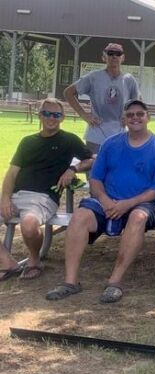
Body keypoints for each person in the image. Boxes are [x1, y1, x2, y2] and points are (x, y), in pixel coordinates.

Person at [45, 100, 155, 303]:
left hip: (143, 204)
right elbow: (95, 179)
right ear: (124, 119)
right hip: (108, 201)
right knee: (79, 216)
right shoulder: (110, 144)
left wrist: (127, 204)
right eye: (130, 115)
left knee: (138, 217)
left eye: (140, 114)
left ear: (148, 117)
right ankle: (70, 282)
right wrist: (104, 200)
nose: (135, 118)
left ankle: (115, 282)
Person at [0, 99, 93, 281]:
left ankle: (34, 260)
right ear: (40, 115)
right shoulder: (27, 142)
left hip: (43, 198)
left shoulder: (69, 140)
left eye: (56, 115)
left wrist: (72, 169)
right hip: (17, 195)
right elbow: (12, 173)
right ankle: (7, 262)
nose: (52, 118)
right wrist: (5, 198)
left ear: (62, 117)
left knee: (28, 225)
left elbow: (91, 159)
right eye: (47, 113)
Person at [63, 43, 141, 154]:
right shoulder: (93, 77)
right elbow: (68, 93)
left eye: (118, 54)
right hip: (96, 135)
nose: (114, 56)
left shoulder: (129, 80)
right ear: (104, 57)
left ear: (123, 58)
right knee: (94, 169)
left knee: (117, 170)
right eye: (110, 53)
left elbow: (138, 102)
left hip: (120, 135)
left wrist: (130, 116)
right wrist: (84, 115)